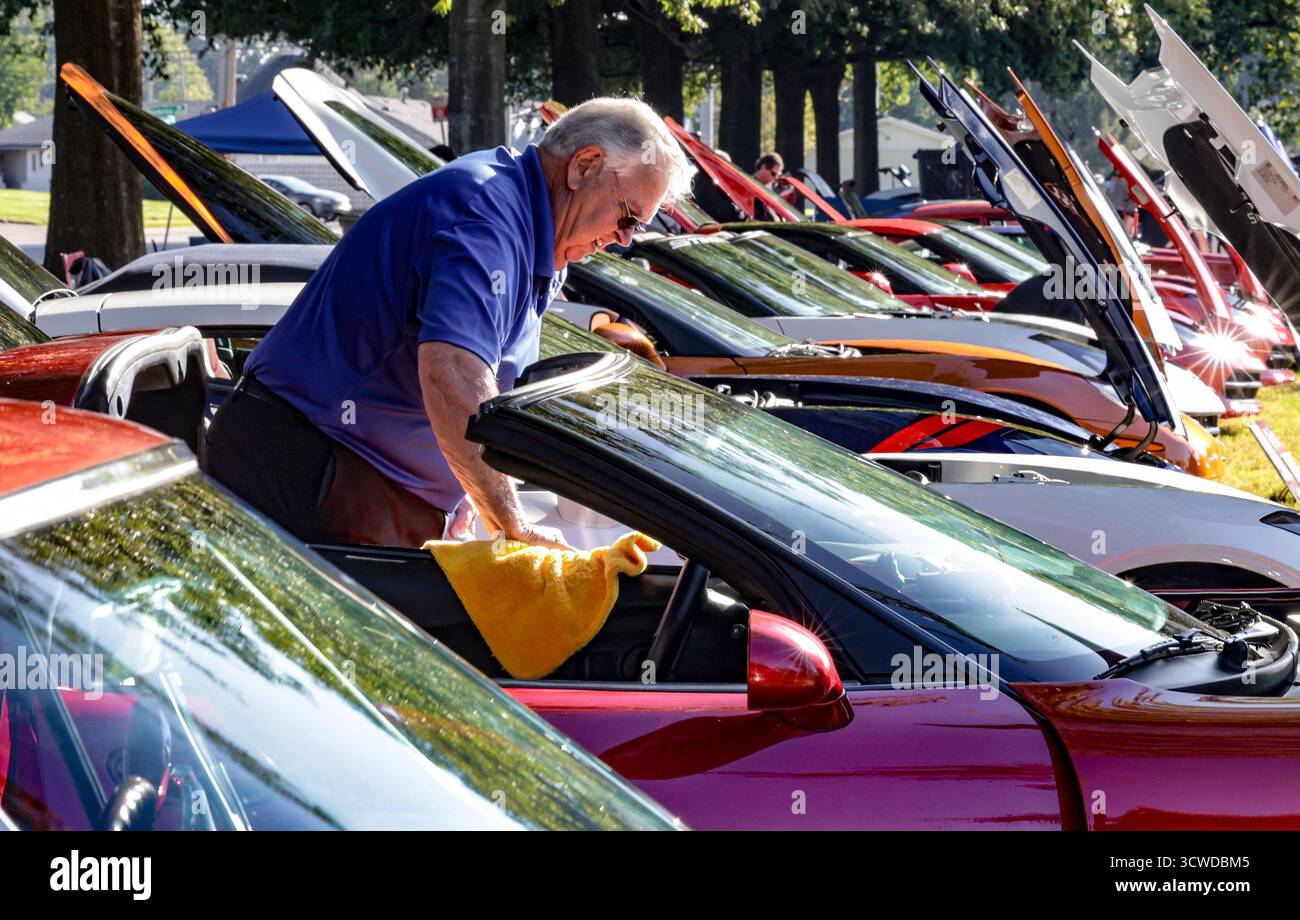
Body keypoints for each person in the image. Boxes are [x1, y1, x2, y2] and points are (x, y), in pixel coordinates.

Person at [204, 97, 694, 548]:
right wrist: (509, 521)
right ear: (584, 166)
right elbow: (455, 375)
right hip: (311, 468)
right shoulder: (487, 217)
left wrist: (463, 494)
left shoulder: (529, 225)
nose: (626, 240)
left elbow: (484, 388)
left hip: (350, 477)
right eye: (629, 217)